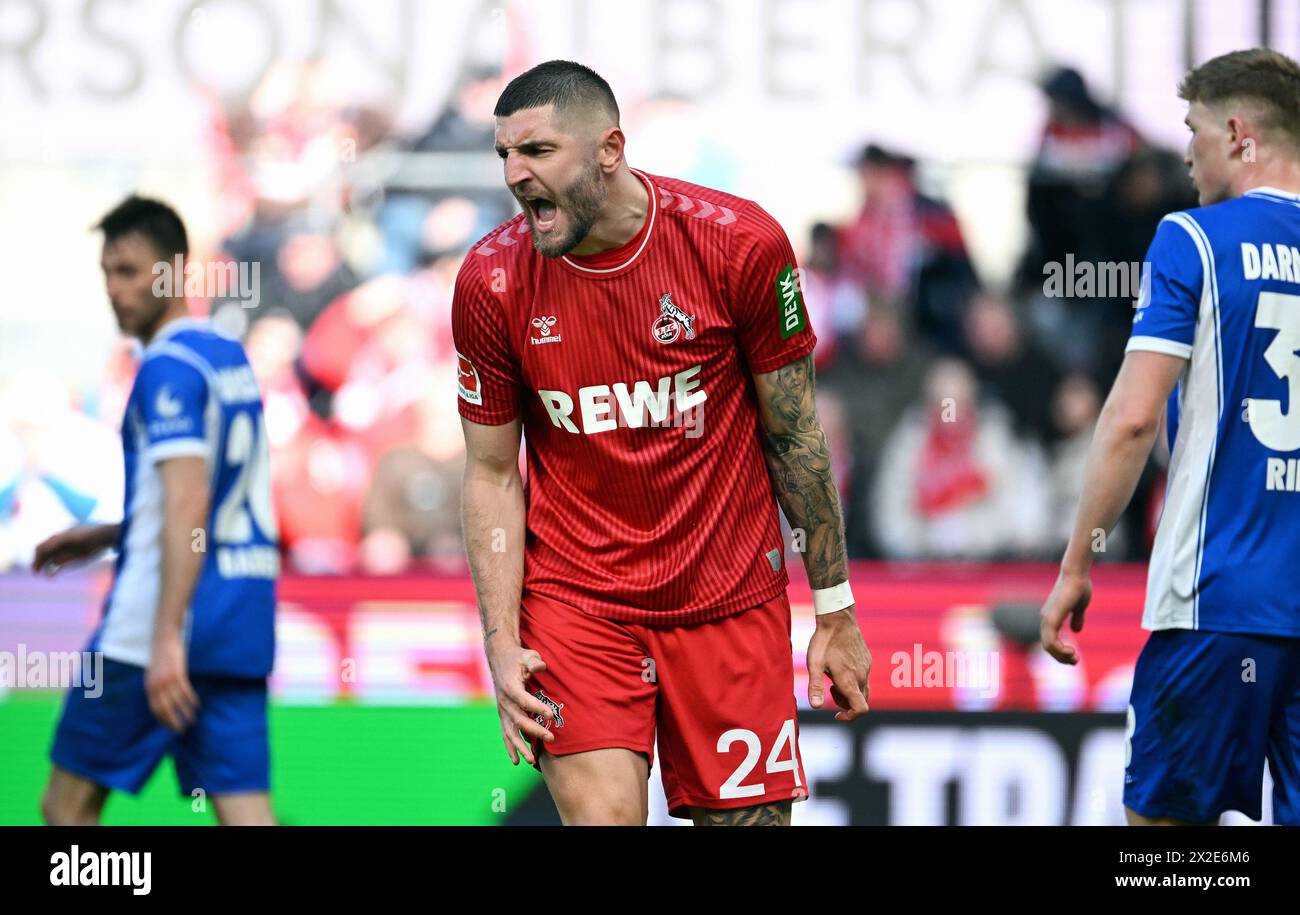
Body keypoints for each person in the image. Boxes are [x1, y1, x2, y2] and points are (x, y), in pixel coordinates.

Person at [453, 61, 871, 826]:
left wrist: (834, 608)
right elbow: (491, 473)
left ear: (610, 149)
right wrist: (500, 638)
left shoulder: (738, 245)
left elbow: (795, 436)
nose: (515, 175)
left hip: (728, 597)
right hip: (577, 606)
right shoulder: (490, 281)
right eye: (505, 154)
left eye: (538, 151)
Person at [1040, 49, 1300, 826]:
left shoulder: (1191, 239)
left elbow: (1131, 417)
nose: (1186, 152)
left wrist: (1077, 561)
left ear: (1238, 133)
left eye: (1193, 131)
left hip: (1216, 601)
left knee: (1163, 845)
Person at [33, 196, 279, 826]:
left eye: (130, 271)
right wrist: (113, 533)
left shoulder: (164, 369)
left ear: (172, 272)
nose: (115, 290)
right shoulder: (228, 357)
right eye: (108, 273)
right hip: (237, 623)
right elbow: (209, 497)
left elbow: (191, 497)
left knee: (66, 810)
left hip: (154, 628)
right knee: (247, 812)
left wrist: (166, 634)